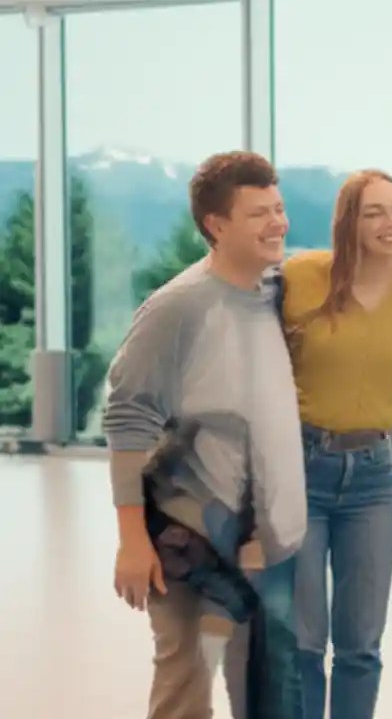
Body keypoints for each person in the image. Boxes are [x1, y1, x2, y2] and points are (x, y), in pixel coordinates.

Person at [104, 150, 307, 719]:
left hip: (263, 541)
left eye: (280, 208)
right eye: (259, 214)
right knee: (187, 684)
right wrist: (131, 539)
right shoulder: (178, 307)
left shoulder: (272, 292)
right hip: (187, 537)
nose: (279, 224)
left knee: (267, 685)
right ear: (216, 226)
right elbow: (127, 416)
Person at [281, 169, 392, 719]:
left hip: (373, 478)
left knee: (361, 645)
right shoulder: (301, 276)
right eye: (373, 212)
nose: (390, 223)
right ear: (348, 221)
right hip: (299, 467)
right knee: (302, 640)